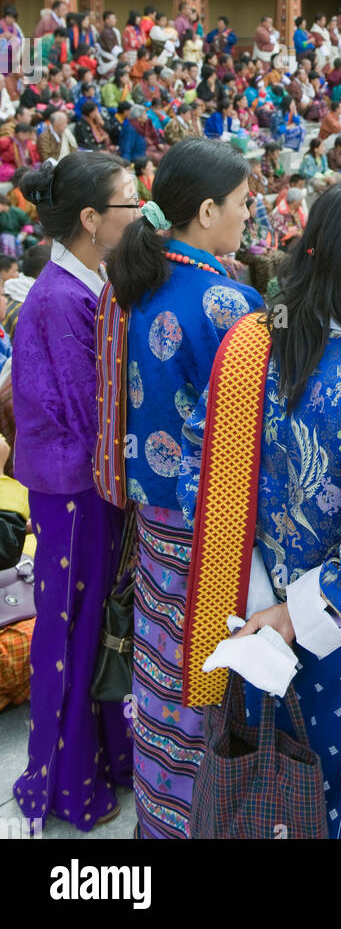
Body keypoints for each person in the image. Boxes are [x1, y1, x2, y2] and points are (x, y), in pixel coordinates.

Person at [179, 182, 341, 839]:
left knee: (272, 793)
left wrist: (264, 592)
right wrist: (298, 612)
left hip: (249, 621)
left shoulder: (249, 345)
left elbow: (198, 475)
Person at [102, 139, 265, 839]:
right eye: (243, 203)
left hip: (153, 521)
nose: (249, 216)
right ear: (206, 210)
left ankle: (157, 819)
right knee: (208, 680)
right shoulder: (232, 301)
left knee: (162, 676)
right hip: (213, 533)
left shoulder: (133, 280)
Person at [12, 151, 140, 830]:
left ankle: (101, 763)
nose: (141, 212)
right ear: (92, 219)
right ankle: (65, 783)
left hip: (86, 488)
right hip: (73, 495)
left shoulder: (82, 284)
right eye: (129, 202)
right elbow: (94, 413)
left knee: (96, 629)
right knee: (73, 633)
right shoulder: (61, 300)